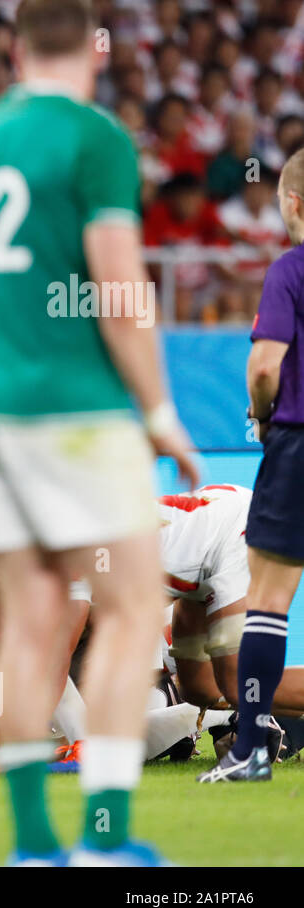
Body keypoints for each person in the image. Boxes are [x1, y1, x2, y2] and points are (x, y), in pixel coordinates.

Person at [0, 0, 199, 865]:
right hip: (79, 410)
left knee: (30, 621)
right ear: (97, 46)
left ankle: (31, 845)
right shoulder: (95, 139)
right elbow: (121, 289)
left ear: (15, 47)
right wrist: (159, 408)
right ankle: (107, 837)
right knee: (129, 611)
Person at [202, 146, 304, 782]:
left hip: (297, 440)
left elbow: (265, 365)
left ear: (292, 203)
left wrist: (261, 414)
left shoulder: (290, 270)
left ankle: (252, 751)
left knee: (267, 604)